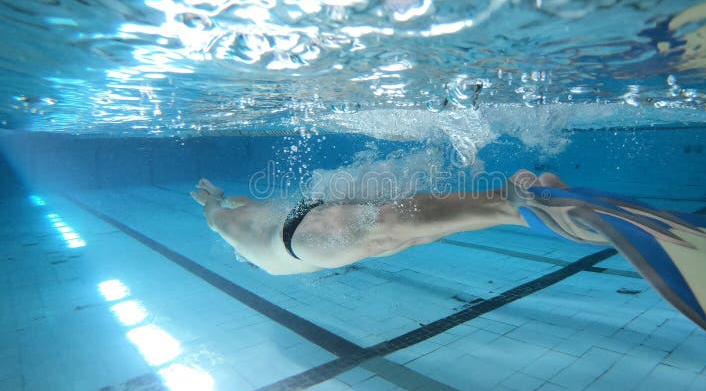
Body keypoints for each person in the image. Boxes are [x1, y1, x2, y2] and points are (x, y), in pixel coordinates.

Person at [190, 171, 567, 275]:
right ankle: (512, 204)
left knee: (415, 230)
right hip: (307, 235)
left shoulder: (262, 249)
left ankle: (516, 212)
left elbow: (250, 205)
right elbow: (213, 217)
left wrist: (227, 198)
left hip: (311, 242)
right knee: (395, 218)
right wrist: (212, 198)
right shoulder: (234, 231)